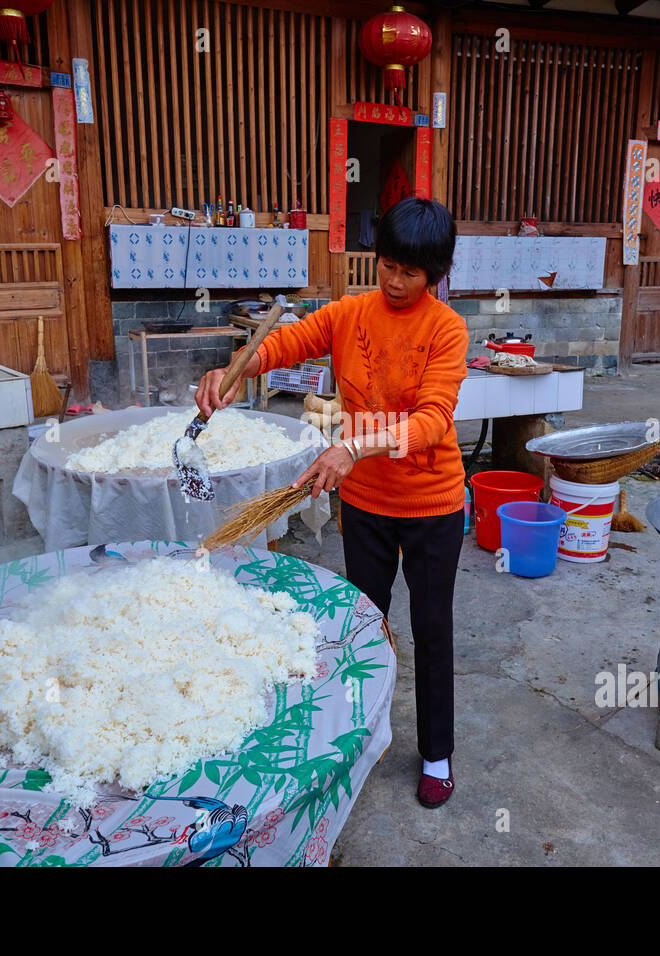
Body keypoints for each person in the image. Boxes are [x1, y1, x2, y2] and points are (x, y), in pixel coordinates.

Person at [195, 198, 467, 808]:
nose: (395, 282)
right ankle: (358, 738)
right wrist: (236, 369)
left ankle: (436, 753)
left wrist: (353, 448)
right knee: (362, 627)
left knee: (431, 630)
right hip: (366, 506)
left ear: (436, 274)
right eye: (386, 266)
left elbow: (431, 421)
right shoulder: (351, 313)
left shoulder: (446, 330)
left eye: (411, 273)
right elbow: (288, 341)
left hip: (432, 507)